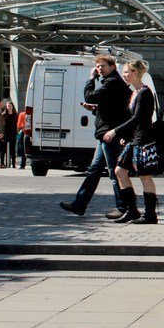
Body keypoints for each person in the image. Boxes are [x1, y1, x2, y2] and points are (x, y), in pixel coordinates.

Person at [61, 56, 130, 217]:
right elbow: (112, 107)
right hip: (105, 132)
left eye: (103, 66)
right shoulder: (111, 82)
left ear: (112, 67)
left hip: (109, 134)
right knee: (94, 170)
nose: (100, 69)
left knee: (114, 172)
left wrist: (91, 79)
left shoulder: (112, 82)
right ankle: (79, 204)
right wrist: (95, 109)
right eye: (98, 67)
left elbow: (89, 96)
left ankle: (123, 207)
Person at [109, 57, 164, 224]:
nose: (124, 75)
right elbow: (132, 119)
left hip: (143, 140)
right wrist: (126, 136)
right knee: (120, 171)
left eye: (126, 72)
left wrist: (116, 131)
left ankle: (150, 215)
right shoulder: (135, 92)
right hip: (134, 139)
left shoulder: (145, 93)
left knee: (144, 176)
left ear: (135, 72)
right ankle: (131, 210)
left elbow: (138, 118)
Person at [14, 101, 31, 169]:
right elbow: (19, 125)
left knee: (23, 148)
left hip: (24, 132)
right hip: (26, 132)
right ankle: (23, 164)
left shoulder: (22, 114)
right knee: (25, 148)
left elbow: (19, 125)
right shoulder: (23, 114)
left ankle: (22, 164)